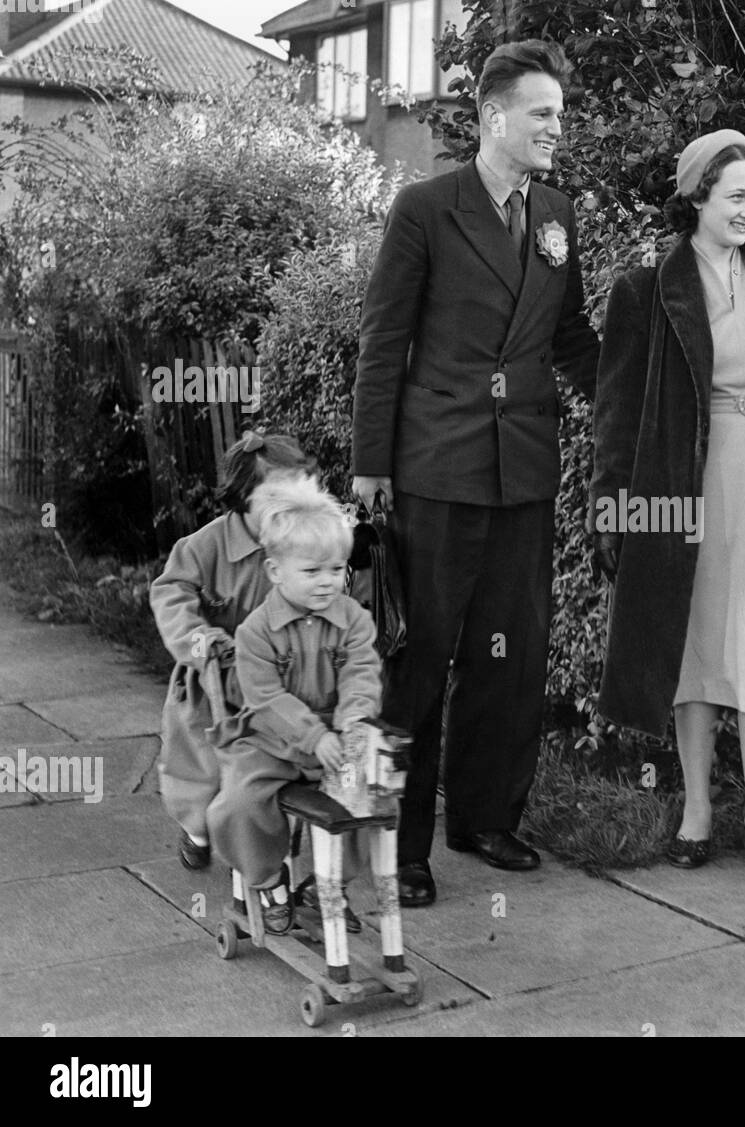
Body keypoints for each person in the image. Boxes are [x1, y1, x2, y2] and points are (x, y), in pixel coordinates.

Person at [351, 39, 601, 905]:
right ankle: (400, 842)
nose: (554, 129)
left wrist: (636, 404)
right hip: (437, 469)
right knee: (418, 661)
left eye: (559, 115)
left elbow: (568, 338)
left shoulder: (560, 213)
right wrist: (369, 466)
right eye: (542, 114)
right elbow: (384, 342)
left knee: (512, 652)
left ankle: (486, 817)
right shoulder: (426, 208)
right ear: (494, 118)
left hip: (523, 471)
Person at [590, 129, 745, 887]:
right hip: (684, 483)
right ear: (697, 196)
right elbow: (616, 405)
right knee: (695, 645)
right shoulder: (645, 289)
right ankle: (697, 811)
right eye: (735, 195)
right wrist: (613, 502)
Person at [207, 478, 381, 935]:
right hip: (272, 741)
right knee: (239, 803)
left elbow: (361, 673)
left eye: (336, 569)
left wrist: (354, 718)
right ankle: (268, 880)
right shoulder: (255, 633)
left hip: (336, 740)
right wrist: (313, 735)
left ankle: (326, 887)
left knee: (368, 797)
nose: (328, 582)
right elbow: (265, 698)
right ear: (275, 571)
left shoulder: (355, 621)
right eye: (312, 571)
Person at [150, 432, 316, 872]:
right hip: (211, 683)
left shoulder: (300, 545)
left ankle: (253, 837)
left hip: (270, 681)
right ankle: (197, 829)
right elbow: (171, 591)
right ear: (244, 497)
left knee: (257, 768)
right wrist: (197, 637)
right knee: (198, 769)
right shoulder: (206, 545)